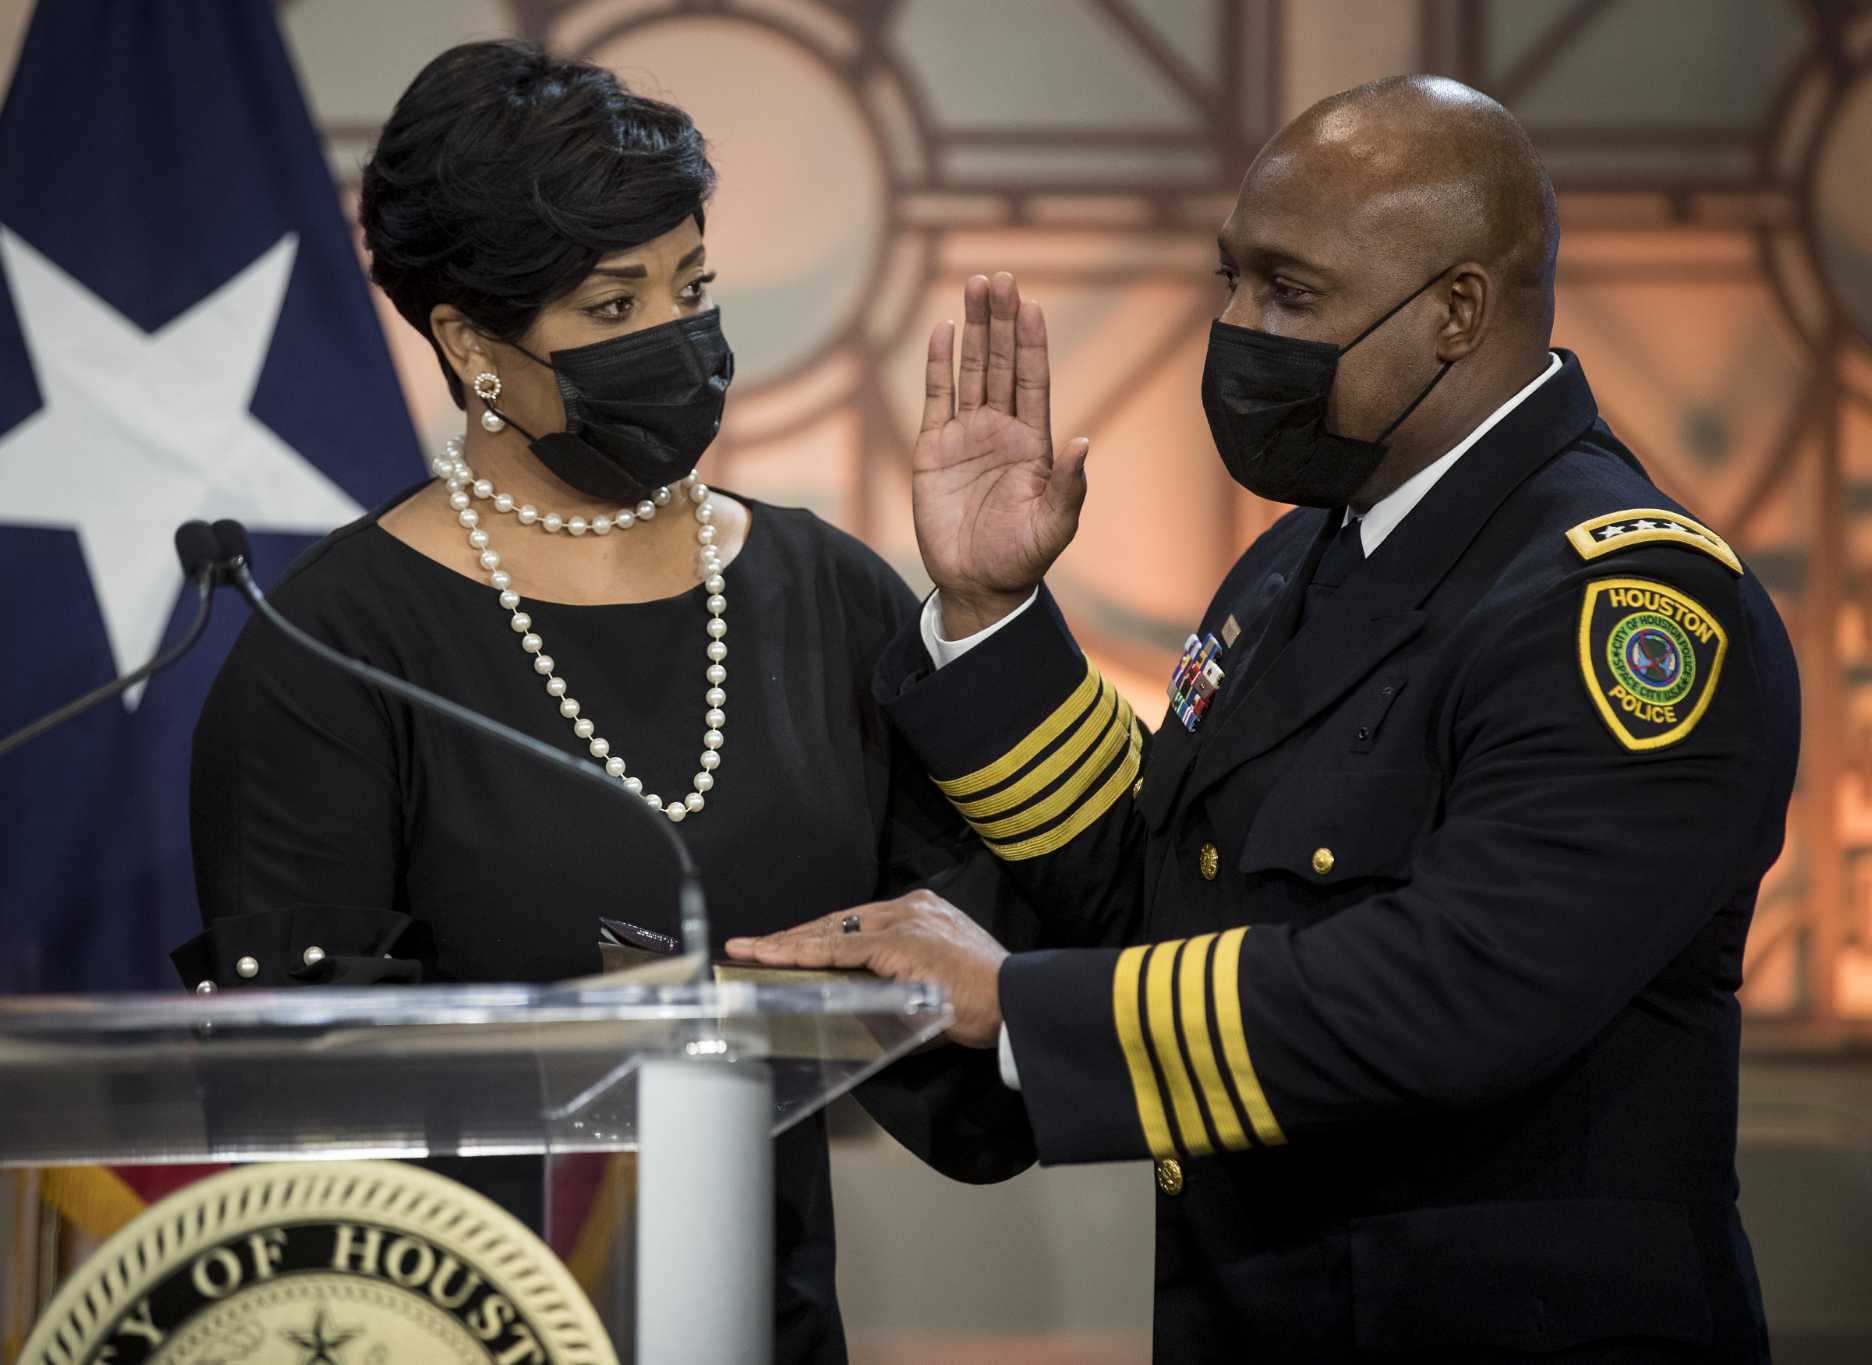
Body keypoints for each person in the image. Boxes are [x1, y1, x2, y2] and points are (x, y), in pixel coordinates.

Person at [728, 75, 1798, 1363]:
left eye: (1290, 296)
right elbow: (1175, 890)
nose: (1236, 330)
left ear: (1459, 310)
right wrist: (990, 606)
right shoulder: (1309, 556)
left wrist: (1018, 1007)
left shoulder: (1628, 604)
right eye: (1231, 281)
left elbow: (1466, 988)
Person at [170, 40, 1035, 1364]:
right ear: (472, 343)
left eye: (692, 285)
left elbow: (989, 1024)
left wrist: (988, 621)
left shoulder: (832, 593)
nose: (680, 342)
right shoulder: (331, 651)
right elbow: (302, 1133)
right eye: (614, 309)